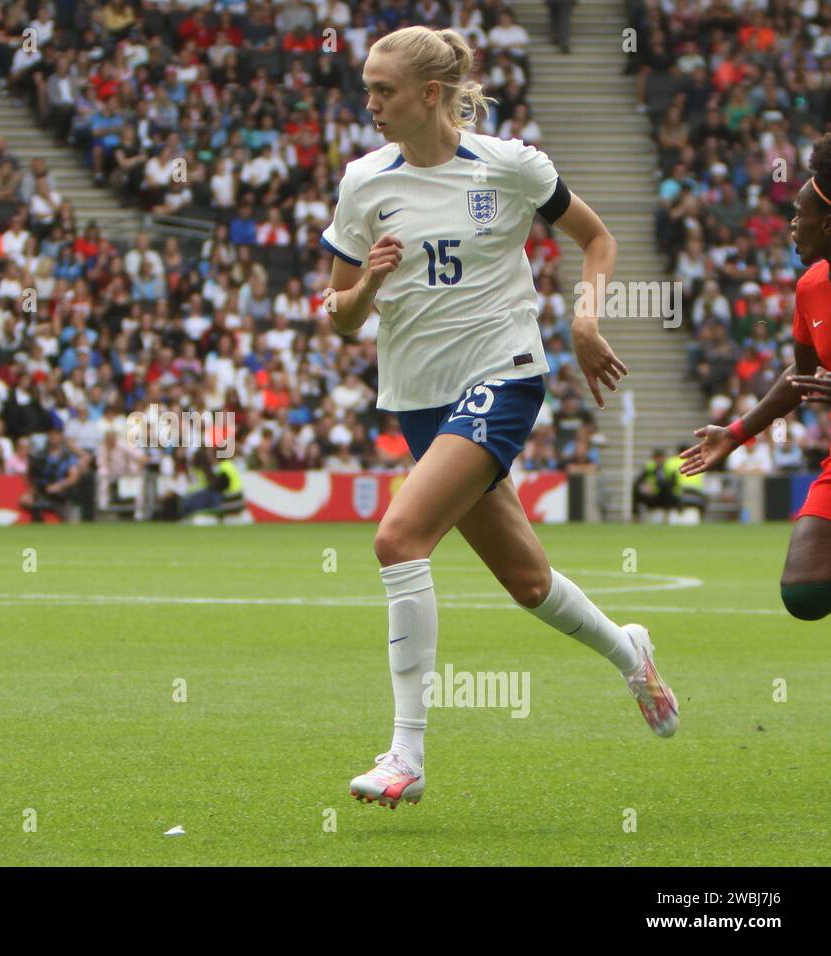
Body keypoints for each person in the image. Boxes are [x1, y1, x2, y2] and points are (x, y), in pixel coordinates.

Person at [318, 28, 678, 811]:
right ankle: (630, 652)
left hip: (503, 376)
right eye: (368, 88)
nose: (369, 103)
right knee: (527, 581)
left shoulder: (508, 166)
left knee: (397, 537)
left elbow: (597, 238)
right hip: (417, 396)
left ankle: (404, 755)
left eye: (383, 90)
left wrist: (586, 321)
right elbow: (339, 317)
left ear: (430, 94)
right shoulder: (362, 184)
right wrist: (369, 288)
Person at [683, 131, 831, 620]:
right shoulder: (812, 288)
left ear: (827, 224)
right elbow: (802, 373)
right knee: (804, 591)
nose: (791, 224)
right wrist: (738, 432)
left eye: (800, 215)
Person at [632, 448, 678, 520]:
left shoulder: (669, 468)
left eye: (660, 458)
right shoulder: (649, 468)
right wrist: (645, 487)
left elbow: (674, 484)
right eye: (656, 458)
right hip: (652, 495)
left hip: (667, 496)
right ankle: (636, 516)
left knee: (666, 487)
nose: (658, 460)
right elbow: (639, 482)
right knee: (635, 488)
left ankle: (666, 516)